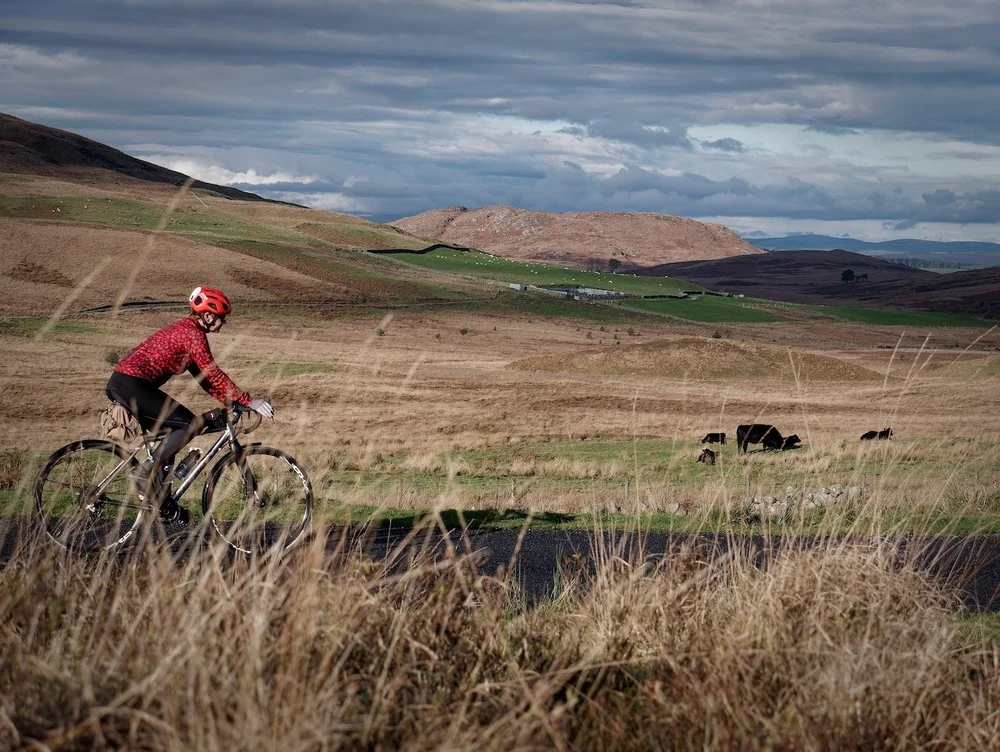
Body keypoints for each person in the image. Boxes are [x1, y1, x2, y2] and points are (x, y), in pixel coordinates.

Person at [105, 286, 273, 524]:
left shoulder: (187, 331)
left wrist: (231, 401)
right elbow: (213, 374)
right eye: (221, 319)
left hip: (127, 383)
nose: (222, 324)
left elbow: (206, 380)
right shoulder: (193, 334)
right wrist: (249, 400)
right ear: (207, 316)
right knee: (188, 424)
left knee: (172, 433)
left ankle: (161, 502)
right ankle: (145, 473)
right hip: (131, 384)